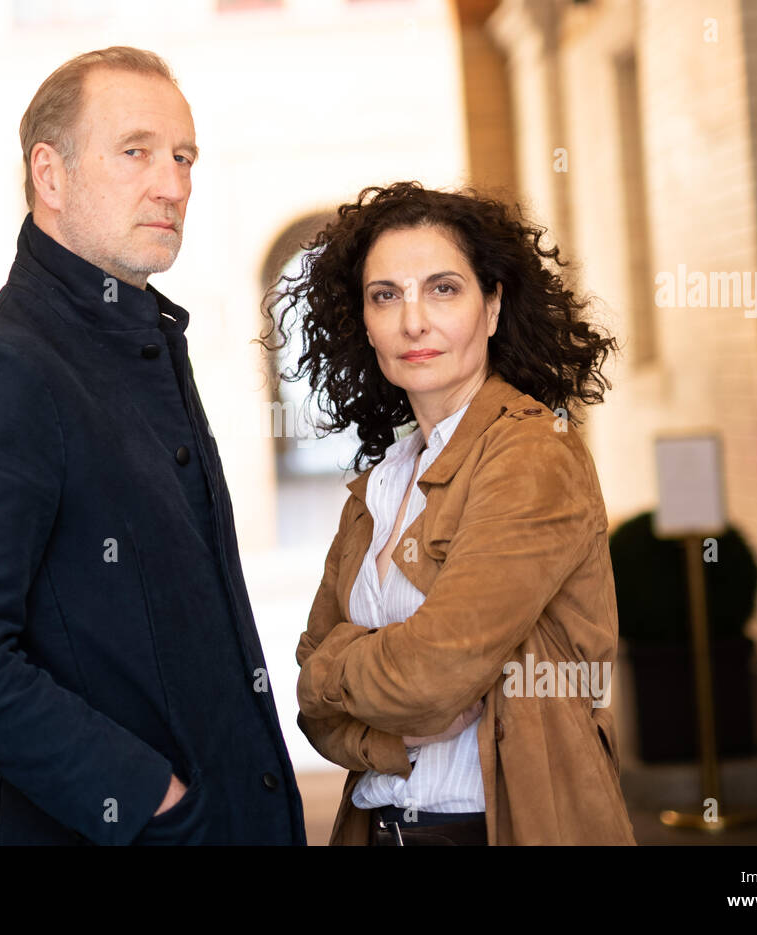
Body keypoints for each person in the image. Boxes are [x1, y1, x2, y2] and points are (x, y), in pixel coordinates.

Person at [0, 46, 304, 845]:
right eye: (137, 152)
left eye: (184, 156)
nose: (175, 184)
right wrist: (153, 799)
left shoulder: (140, 331)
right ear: (49, 176)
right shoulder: (7, 368)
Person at [268, 181, 635, 845]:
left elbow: (433, 673)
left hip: (499, 827)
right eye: (387, 295)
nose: (414, 320)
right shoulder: (382, 482)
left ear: (492, 307)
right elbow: (311, 707)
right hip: (380, 830)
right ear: (365, 321)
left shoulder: (529, 454)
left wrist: (335, 668)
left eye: (443, 288)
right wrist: (366, 708)